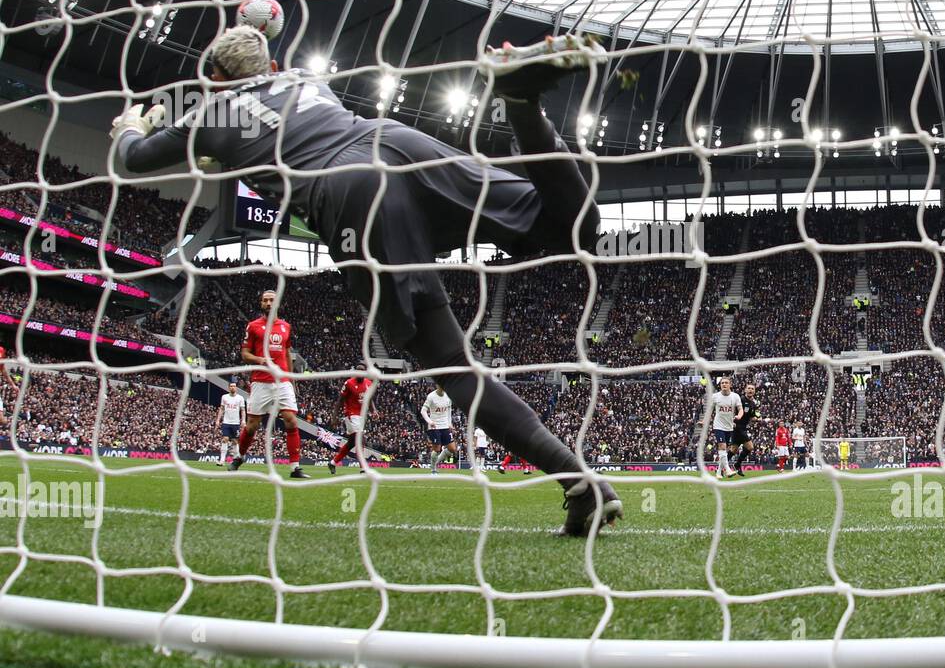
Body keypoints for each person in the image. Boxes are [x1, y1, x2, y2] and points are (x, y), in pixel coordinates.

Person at [112, 28, 621, 534]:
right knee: (575, 225)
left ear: (215, 78)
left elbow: (135, 157)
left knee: (454, 366)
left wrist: (132, 124)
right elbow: (264, 117)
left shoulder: (208, 114)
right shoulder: (301, 77)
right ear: (268, 64)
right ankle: (521, 102)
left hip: (348, 190)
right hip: (395, 142)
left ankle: (578, 483)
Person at [228, 289, 305, 478]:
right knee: (252, 425)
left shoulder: (286, 326)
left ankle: (295, 467)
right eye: (265, 301)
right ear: (261, 304)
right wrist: (260, 360)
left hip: (282, 381)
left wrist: (290, 377)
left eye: (272, 300)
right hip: (260, 382)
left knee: (291, 419)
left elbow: (287, 353)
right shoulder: (253, 326)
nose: (269, 303)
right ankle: (239, 456)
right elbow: (244, 354)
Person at [327, 366, 379, 473]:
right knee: (360, 439)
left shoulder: (368, 383)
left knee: (351, 442)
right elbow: (340, 401)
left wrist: (374, 410)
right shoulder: (349, 383)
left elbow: (369, 399)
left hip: (361, 416)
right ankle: (363, 467)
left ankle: (333, 463)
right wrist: (334, 417)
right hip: (351, 414)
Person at [710, 377, 743, 478]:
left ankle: (719, 472)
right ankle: (728, 470)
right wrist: (703, 421)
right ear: (720, 385)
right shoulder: (715, 396)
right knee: (722, 446)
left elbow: (740, 409)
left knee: (724, 450)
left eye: (726, 383)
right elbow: (709, 411)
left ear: (730, 385)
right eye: (722, 383)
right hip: (718, 425)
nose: (724, 384)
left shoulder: (735, 396)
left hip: (729, 426)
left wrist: (739, 416)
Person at [421, 380, 456, 473]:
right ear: (437, 385)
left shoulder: (448, 396)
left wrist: (450, 423)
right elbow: (423, 411)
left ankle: (435, 463)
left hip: (445, 425)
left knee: (452, 449)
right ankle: (433, 469)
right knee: (437, 449)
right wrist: (430, 421)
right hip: (434, 426)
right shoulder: (431, 396)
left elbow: (448, 411)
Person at [216, 381, 246, 464]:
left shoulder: (240, 398)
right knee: (225, 439)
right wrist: (218, 420)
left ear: (236, 388)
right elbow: (221, 408)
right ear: (229, 387)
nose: (233, 387)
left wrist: (243, 420)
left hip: (235, 423)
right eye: (231, 386)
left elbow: (243, 410)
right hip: (226, 422)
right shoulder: (224, 397)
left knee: (235, 441)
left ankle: (235, 459)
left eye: (234, 386)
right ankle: (222, 460)